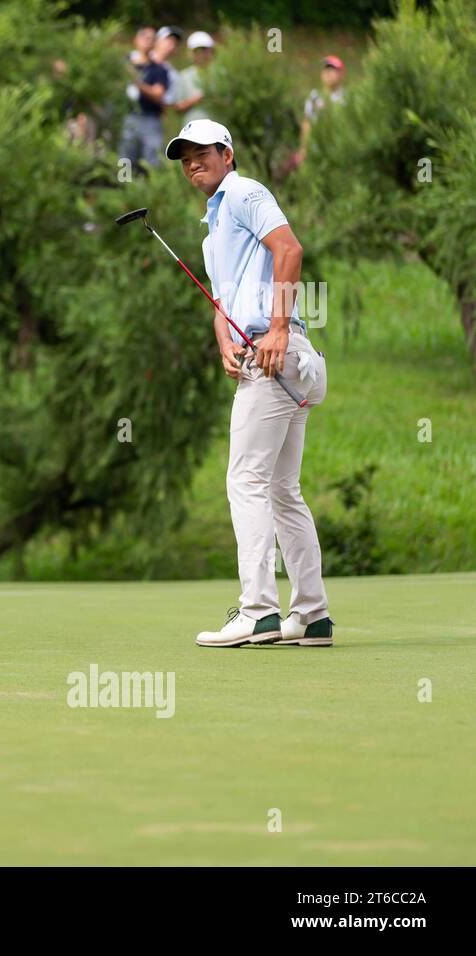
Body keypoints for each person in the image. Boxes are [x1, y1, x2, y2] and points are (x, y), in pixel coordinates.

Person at [163, 119, 335, 649]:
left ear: (227, 154)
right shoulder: (213, 228)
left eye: (203, 152)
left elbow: (290, 250)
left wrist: (278, 327)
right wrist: (222, 339)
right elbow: (223, 301)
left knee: (247, 482)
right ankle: (311, 616)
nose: (194, 161)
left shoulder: (243, 191)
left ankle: (259, 611)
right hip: (279, 358)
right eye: (185, 156)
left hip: (276, 352)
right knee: (283, 491)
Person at [119, 28, 179, 168]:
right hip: (127, 115)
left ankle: (151, 188)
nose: (146, 40)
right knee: (126, 156)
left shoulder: (159, 69)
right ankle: (123, 186)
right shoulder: (125, 62)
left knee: (153, 156)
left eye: (151, 38)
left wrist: (137, 82)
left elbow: (158, 93)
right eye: (143, 36)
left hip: (150, 118)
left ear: (155, 43)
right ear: (135, 39)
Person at [292, 55, 346, 169]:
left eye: (332, 70)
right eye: (326, 69)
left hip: (337, 150)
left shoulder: (345, 99)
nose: (328, 73)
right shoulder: (314, 96)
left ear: (341, 74)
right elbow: (307, 124)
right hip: (315, 150)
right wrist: (303, 149)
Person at [173, 31, 214, 125]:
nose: (202, 54)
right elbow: (178, 108)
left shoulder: (221, 73)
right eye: (198, 51)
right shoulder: (184, 75)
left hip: (217, 130)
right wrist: (195, 99)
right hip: (192, 130)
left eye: (204, 50)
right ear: (191, 53)